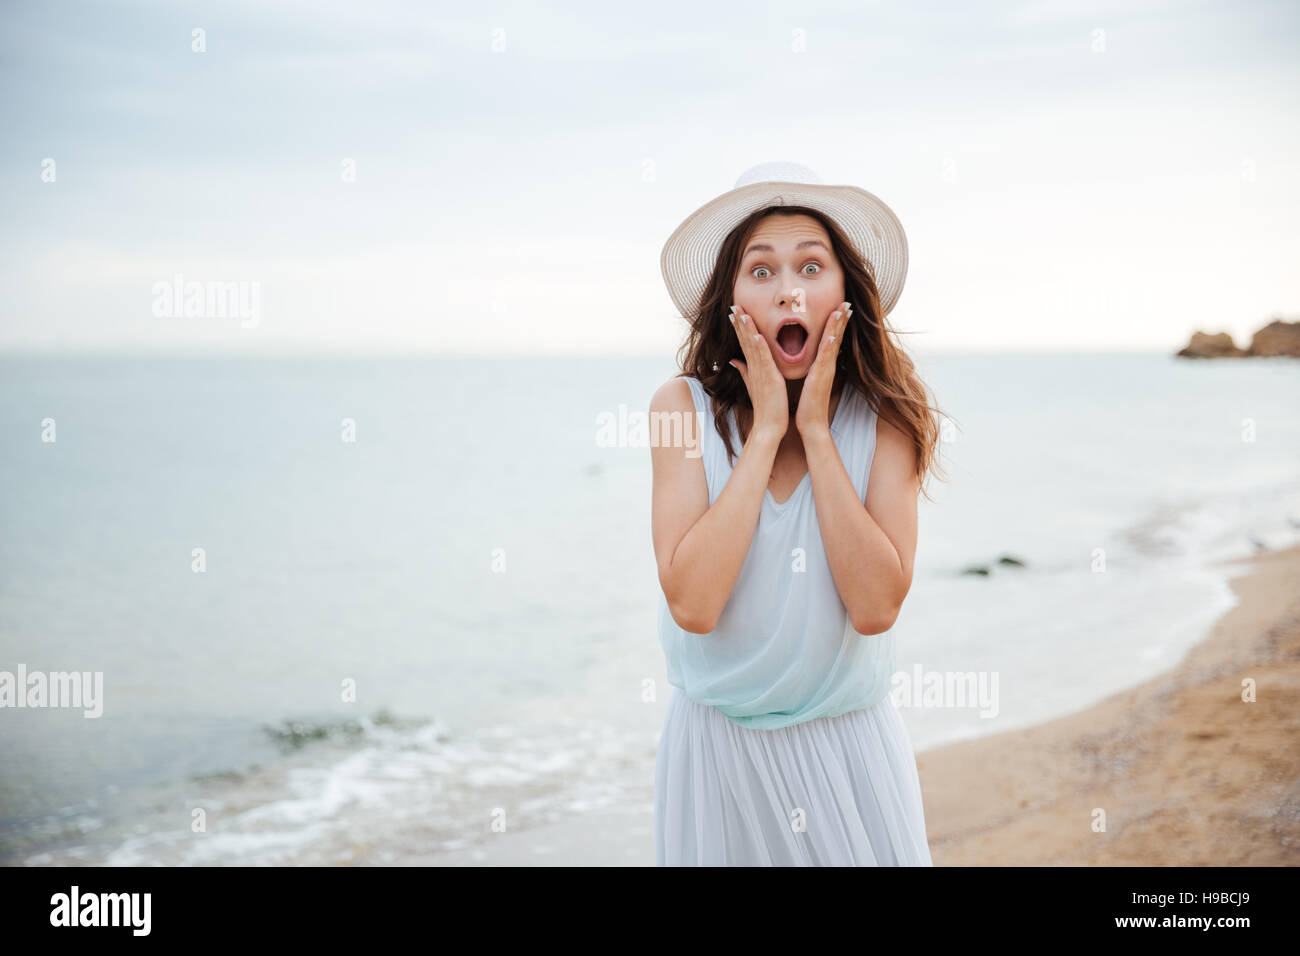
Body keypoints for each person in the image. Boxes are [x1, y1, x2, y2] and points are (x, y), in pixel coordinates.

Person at [649, 161, 950, 865]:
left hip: (849, 752)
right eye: (761, 271)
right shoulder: (676, 411)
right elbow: (693, 603)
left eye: (812, 267)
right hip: (716, 755)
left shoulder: (888, 419)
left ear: (846, 290)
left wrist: (815, 431)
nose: (788, 290)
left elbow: (876, 605)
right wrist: (763, 436)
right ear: (731, 299)